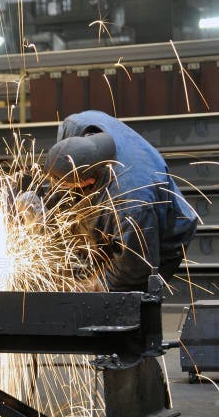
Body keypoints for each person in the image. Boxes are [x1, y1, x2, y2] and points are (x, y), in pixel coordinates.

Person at [42, 110, 198, 292]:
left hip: (161, 235)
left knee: (125, 298)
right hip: (128, 207)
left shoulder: (132, 202)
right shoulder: (77, 126)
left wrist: (88, 288)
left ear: (89, 181)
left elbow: (134, 268)